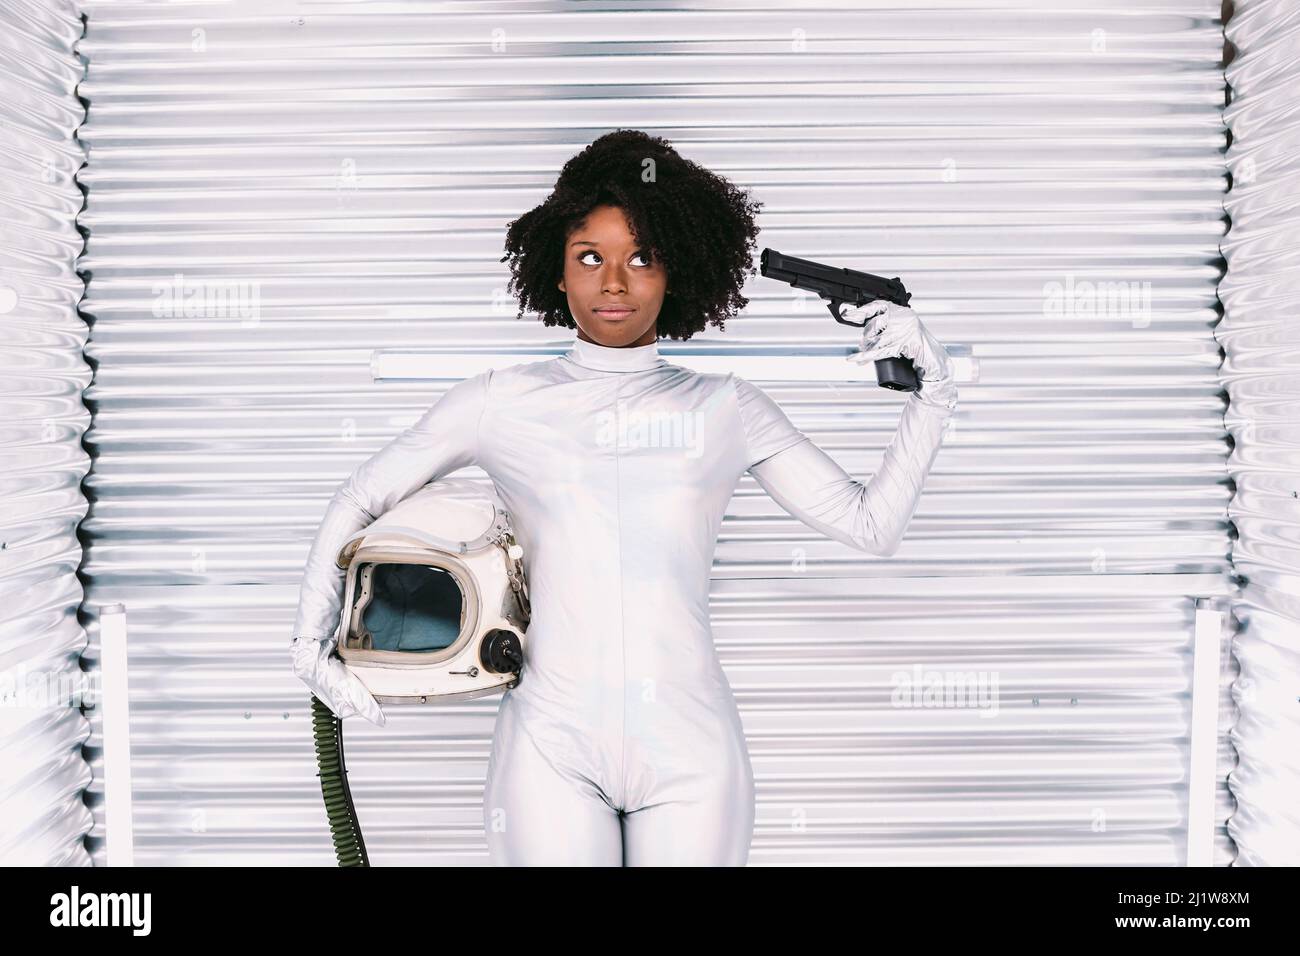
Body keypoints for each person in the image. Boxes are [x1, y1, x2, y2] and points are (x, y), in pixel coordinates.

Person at [290, 129, 958, 866]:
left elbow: (872, 526)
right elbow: (361, 497)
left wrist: (933, 396)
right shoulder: (499, 402)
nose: (615, 282)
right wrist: (308, 641)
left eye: (641, 257)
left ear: (678, 270)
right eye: (590, 258)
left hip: (692, 755)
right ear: (558, 271)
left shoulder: (726, 408)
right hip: (548, 747)